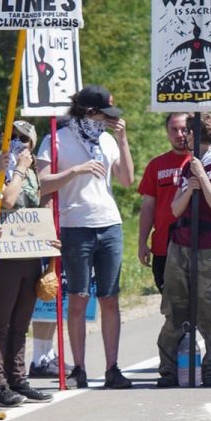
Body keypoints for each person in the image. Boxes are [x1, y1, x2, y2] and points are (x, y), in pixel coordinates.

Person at [36, 85, 135, 390]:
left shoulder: (107, 139)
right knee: (78, 298)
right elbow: (42, 183)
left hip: (109, 224)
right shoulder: (55, 138)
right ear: (88, 112)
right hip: (74, 224)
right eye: (105, 115)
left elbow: (127, 180)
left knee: (110, 298)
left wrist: (122, 138)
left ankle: (112, 368)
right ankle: (79, 367)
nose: (108, 120)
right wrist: (75, 170)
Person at [157, 113, 211, 388]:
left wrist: (202, 177)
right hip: (181, 242)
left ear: (196, 134)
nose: (183, 137)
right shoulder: (189, 164)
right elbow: (174, 209)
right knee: (175, 308)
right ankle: (168, 368)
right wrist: (189, 189)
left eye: (187, 133)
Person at [0, 120, 54, 408]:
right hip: (4, 253)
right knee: (0, 322)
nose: (16, 142)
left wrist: (50, 245)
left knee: (21, 321)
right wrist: (19, 168)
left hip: (29, 250)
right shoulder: (1, 165)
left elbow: (38, 206)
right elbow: (9, 200)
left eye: (23, 139)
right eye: (11, 136)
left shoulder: (32, 171)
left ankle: (18, 377)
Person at [137, 112, 193, 293]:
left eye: (184, 129)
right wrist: (142, 242)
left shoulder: (205, 160)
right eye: (174, 130)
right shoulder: (157, 165)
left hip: (198, 246)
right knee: (172, 311)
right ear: (167, 132)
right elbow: (147, 207)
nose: (179, 134)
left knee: (200, 311)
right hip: (163, 248)